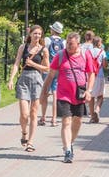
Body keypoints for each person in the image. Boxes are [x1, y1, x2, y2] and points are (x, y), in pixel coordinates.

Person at [41, 31, 96, 163]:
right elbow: (51, 75)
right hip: (63, 94)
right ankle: (67, 151)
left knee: (78, 121)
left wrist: (89, 90)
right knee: (66, 121)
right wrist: (44, 92)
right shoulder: (60, 55)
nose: (68, 46)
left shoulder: (85, 55)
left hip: (79, 94)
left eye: (71, 44)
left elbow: (91, 74)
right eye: (67, 44)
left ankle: (69, 142)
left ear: (78, 44)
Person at [8, 24, 49, 152]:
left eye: (39, 34)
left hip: (37, 80)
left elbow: (47, 68)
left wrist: (33, 64)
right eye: (35, 33)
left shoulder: (44, 50)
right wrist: (11, 79)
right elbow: (16, 63)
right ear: (30, 34)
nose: (37, 36)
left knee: (33, 113)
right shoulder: (23, 47)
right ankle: (24, 132)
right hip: (24, 80)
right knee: (24, 114)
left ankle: (30, 142)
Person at [39, 22, 65, 126]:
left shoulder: (47, 40)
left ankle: (43, 117)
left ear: (53, 30)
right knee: (55, 94)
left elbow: (43, 55)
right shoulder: (64, 42)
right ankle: (54, 119)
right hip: (59, 70)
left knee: (45, 93)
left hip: (48, 69)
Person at [88, 35, 106, 123]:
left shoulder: (88, 52)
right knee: (101, 96)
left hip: (90, 75)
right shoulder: (102, 52)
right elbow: (105, 65)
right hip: (100, 75)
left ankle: (92, 116)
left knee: (91, 96)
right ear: (99, 43)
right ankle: (97, 109)